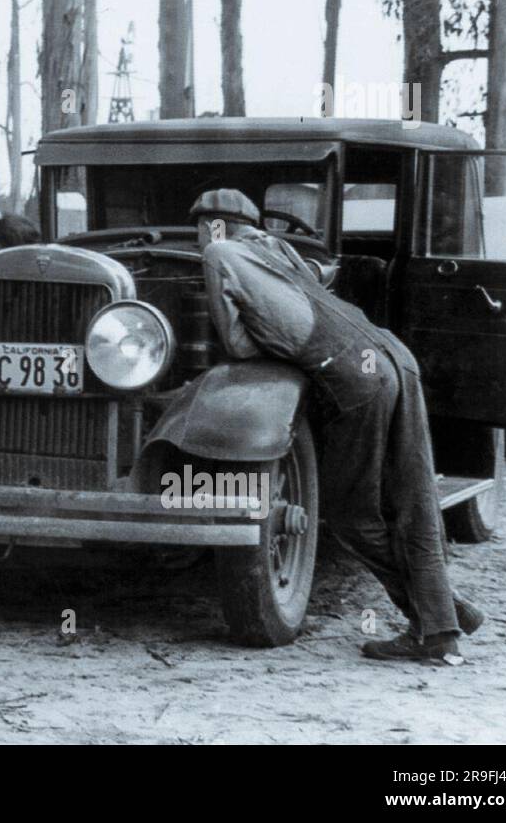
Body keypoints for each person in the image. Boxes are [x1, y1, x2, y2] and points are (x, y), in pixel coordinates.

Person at [190, 188, 484, 662]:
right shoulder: (279, 247)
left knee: (351, 517)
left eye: (198, 230)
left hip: (351, 373)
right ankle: (443, 620)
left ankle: (435, 625)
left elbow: (238, 347)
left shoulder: (219, 251)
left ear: (210, 226)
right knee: (413, 499)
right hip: (391, 356)